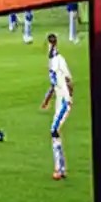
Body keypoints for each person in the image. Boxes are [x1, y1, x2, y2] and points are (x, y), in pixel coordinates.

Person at [41, 33, 74, 180]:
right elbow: (57, 83)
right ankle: (62, 168)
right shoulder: (55, 60)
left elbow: (67, 81)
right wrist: (47, 100)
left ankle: (59, 170)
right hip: (60, 102)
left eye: (51, 44)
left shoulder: (57, 61)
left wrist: (68, 97)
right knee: (55, 133)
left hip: (64, 102)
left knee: (54, 130)